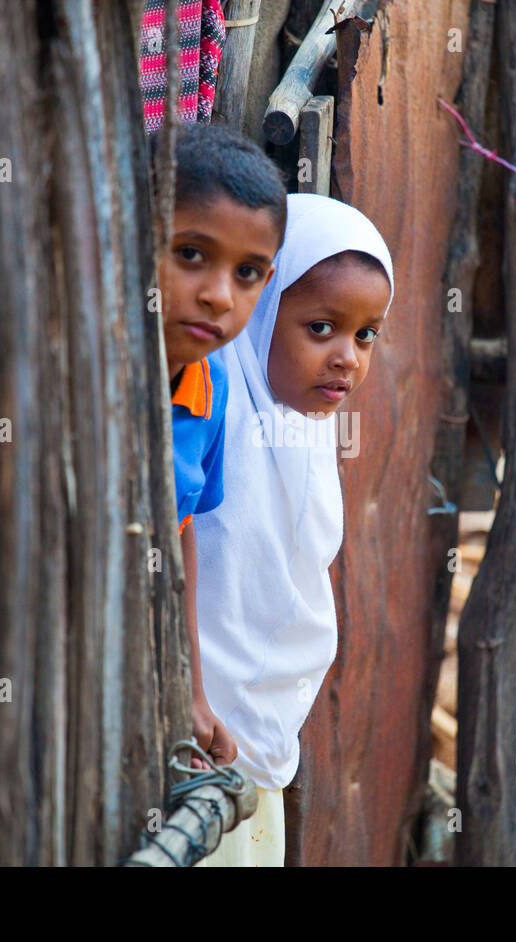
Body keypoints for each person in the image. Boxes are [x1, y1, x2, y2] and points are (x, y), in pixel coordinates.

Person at [193, 193, 395, 866]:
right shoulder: (215, 401)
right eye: (322, 329)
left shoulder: (304, 432)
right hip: (195, 743)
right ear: (262, 313)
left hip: (266, 745)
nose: (349, 357)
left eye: (366, 335)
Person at [159, 123, 286, 769]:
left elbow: (179, 529)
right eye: (190, 255)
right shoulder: (73, 370)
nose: (219, 295)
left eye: (248, 273)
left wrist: (192, 691)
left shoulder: (207, 389)